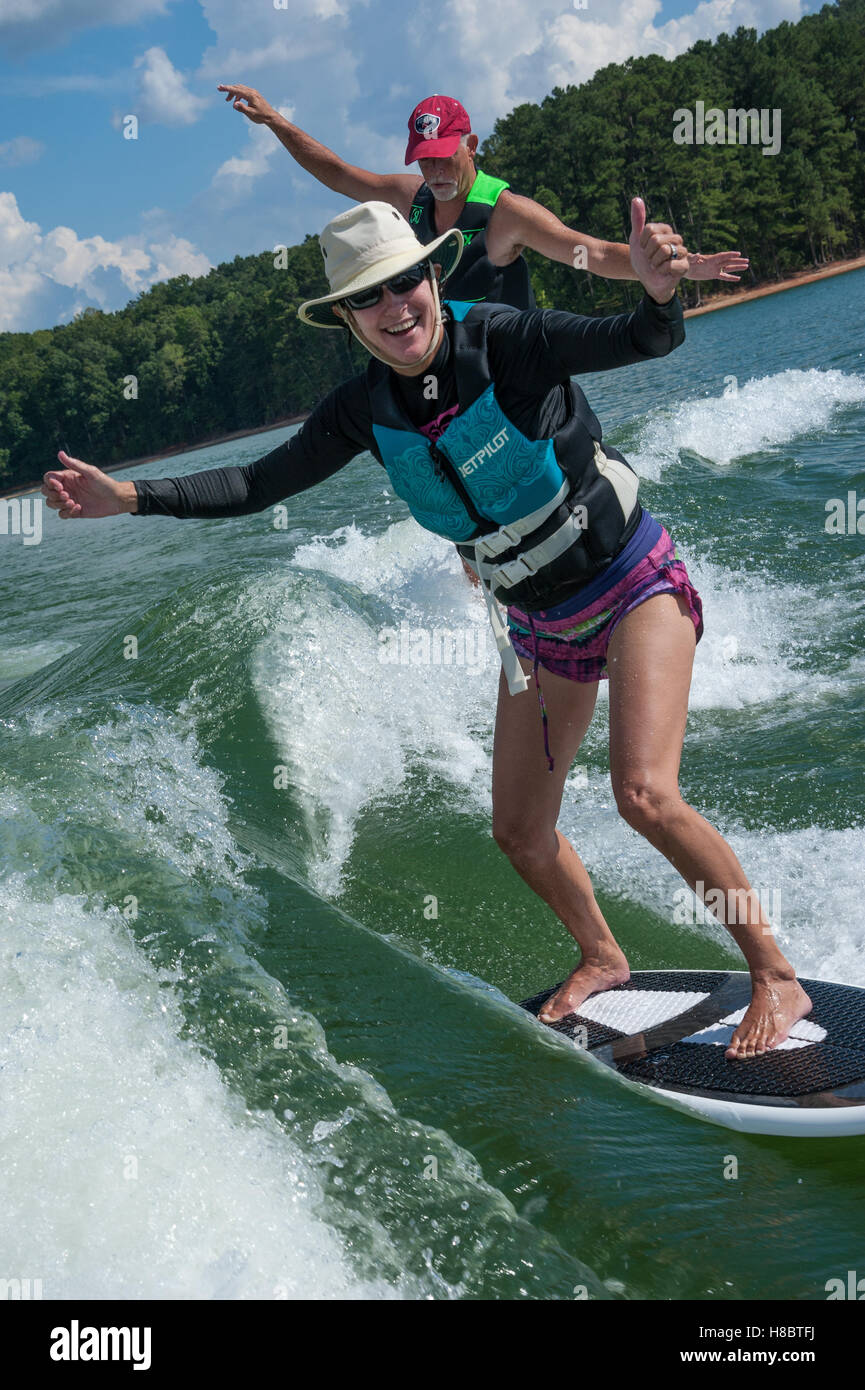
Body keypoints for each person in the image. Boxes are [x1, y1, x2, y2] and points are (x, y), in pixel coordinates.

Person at [41, 198, 810, 1060]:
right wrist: (131, 497)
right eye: (369, 296)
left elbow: (638, 340)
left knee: (643, 795)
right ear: (345, 318)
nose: (395, 305)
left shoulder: (505, 339)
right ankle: (602, 957)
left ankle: (774, 972)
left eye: (407, 280)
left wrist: (659, 297)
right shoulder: (360, 411)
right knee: (519, 831)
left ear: (434, 276)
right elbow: (258, 484)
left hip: (630, 582)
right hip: (537, 627)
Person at [216, 86, 750, 309]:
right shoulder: (412, 197)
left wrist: (682, 266)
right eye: (425, 157)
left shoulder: (508, 214)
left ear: (472, 145)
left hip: (515, 373)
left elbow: (592, 253)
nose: (435, 168)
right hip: (455, 383)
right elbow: (336, 173)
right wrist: (274, 121)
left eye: (446, 154)